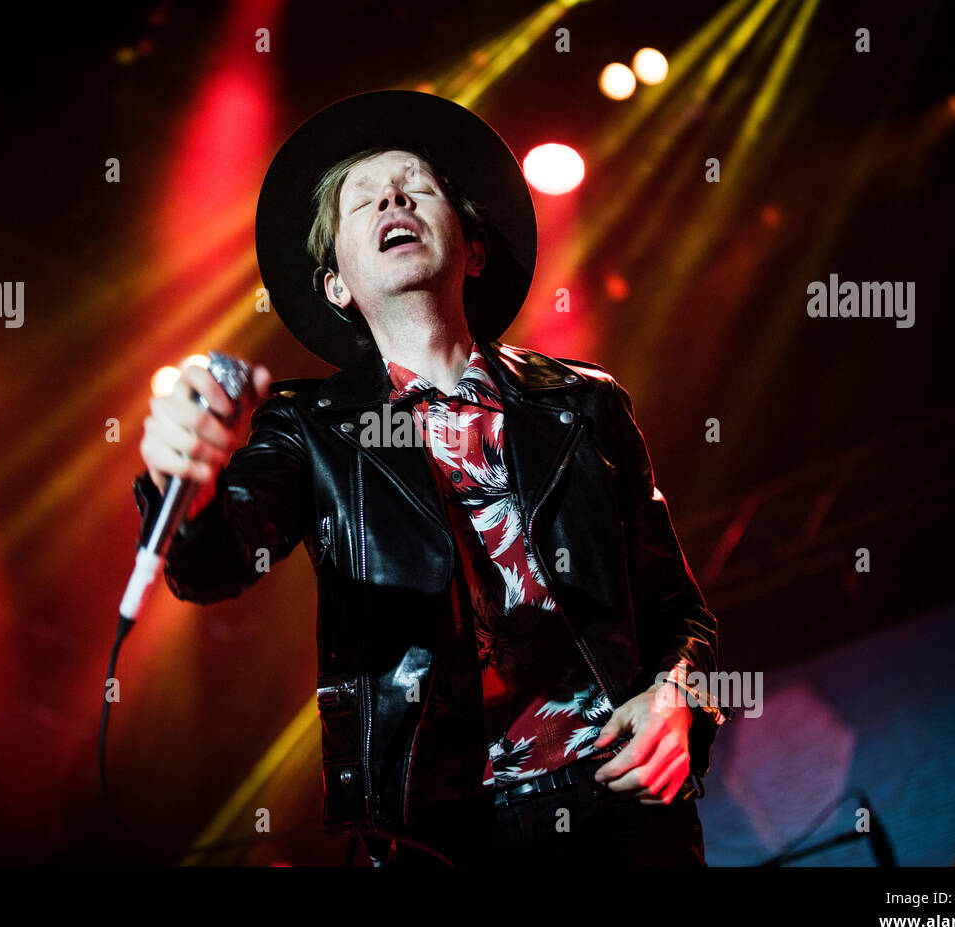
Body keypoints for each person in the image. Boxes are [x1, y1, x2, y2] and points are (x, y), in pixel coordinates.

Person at [134, 90, 732, 867]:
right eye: (362, 198)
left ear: (473, 250)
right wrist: (182, 481)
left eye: (417, 185)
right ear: (336, 285)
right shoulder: (312, 427)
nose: (392, 197)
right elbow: (212, 563)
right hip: (438, 835)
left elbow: (677, 610)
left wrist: (677, 696)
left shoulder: (584, 402)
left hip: (618, 806)